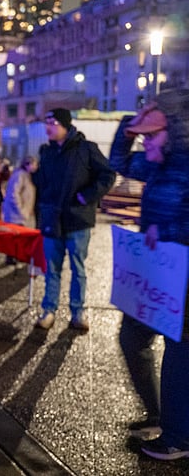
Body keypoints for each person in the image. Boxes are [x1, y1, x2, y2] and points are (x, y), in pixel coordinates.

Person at [109, 89, 189, 460]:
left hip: (183, 276)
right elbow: (121, 163)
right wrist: (129, 127)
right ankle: (160, 414)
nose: (146, 141)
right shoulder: (158, 161)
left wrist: (171, 234)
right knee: (132, 338)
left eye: (152, 133)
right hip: (158, 275)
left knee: (179, 351)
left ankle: (177, 437)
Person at [33, 108, 115, 330]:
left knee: (78, 269)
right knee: (52, 269)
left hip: (78, 220)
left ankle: (77, 312)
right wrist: (33, 173)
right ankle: (49, 311)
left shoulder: (86, 149)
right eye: (46, 123)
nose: (48, 128)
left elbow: (108, 174)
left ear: (65, 125)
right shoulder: (47, 152)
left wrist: (87, 196)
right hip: (52, 220)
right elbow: (43, 185)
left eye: (52, 123)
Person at [2, 155, 38, 229]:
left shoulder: (27, 176)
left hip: (21, 215)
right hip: (16, 217)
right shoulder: (20, 175)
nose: (35, 167)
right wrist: (21, 211)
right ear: (27, 165)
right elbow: (14, 194)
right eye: (34, 164)